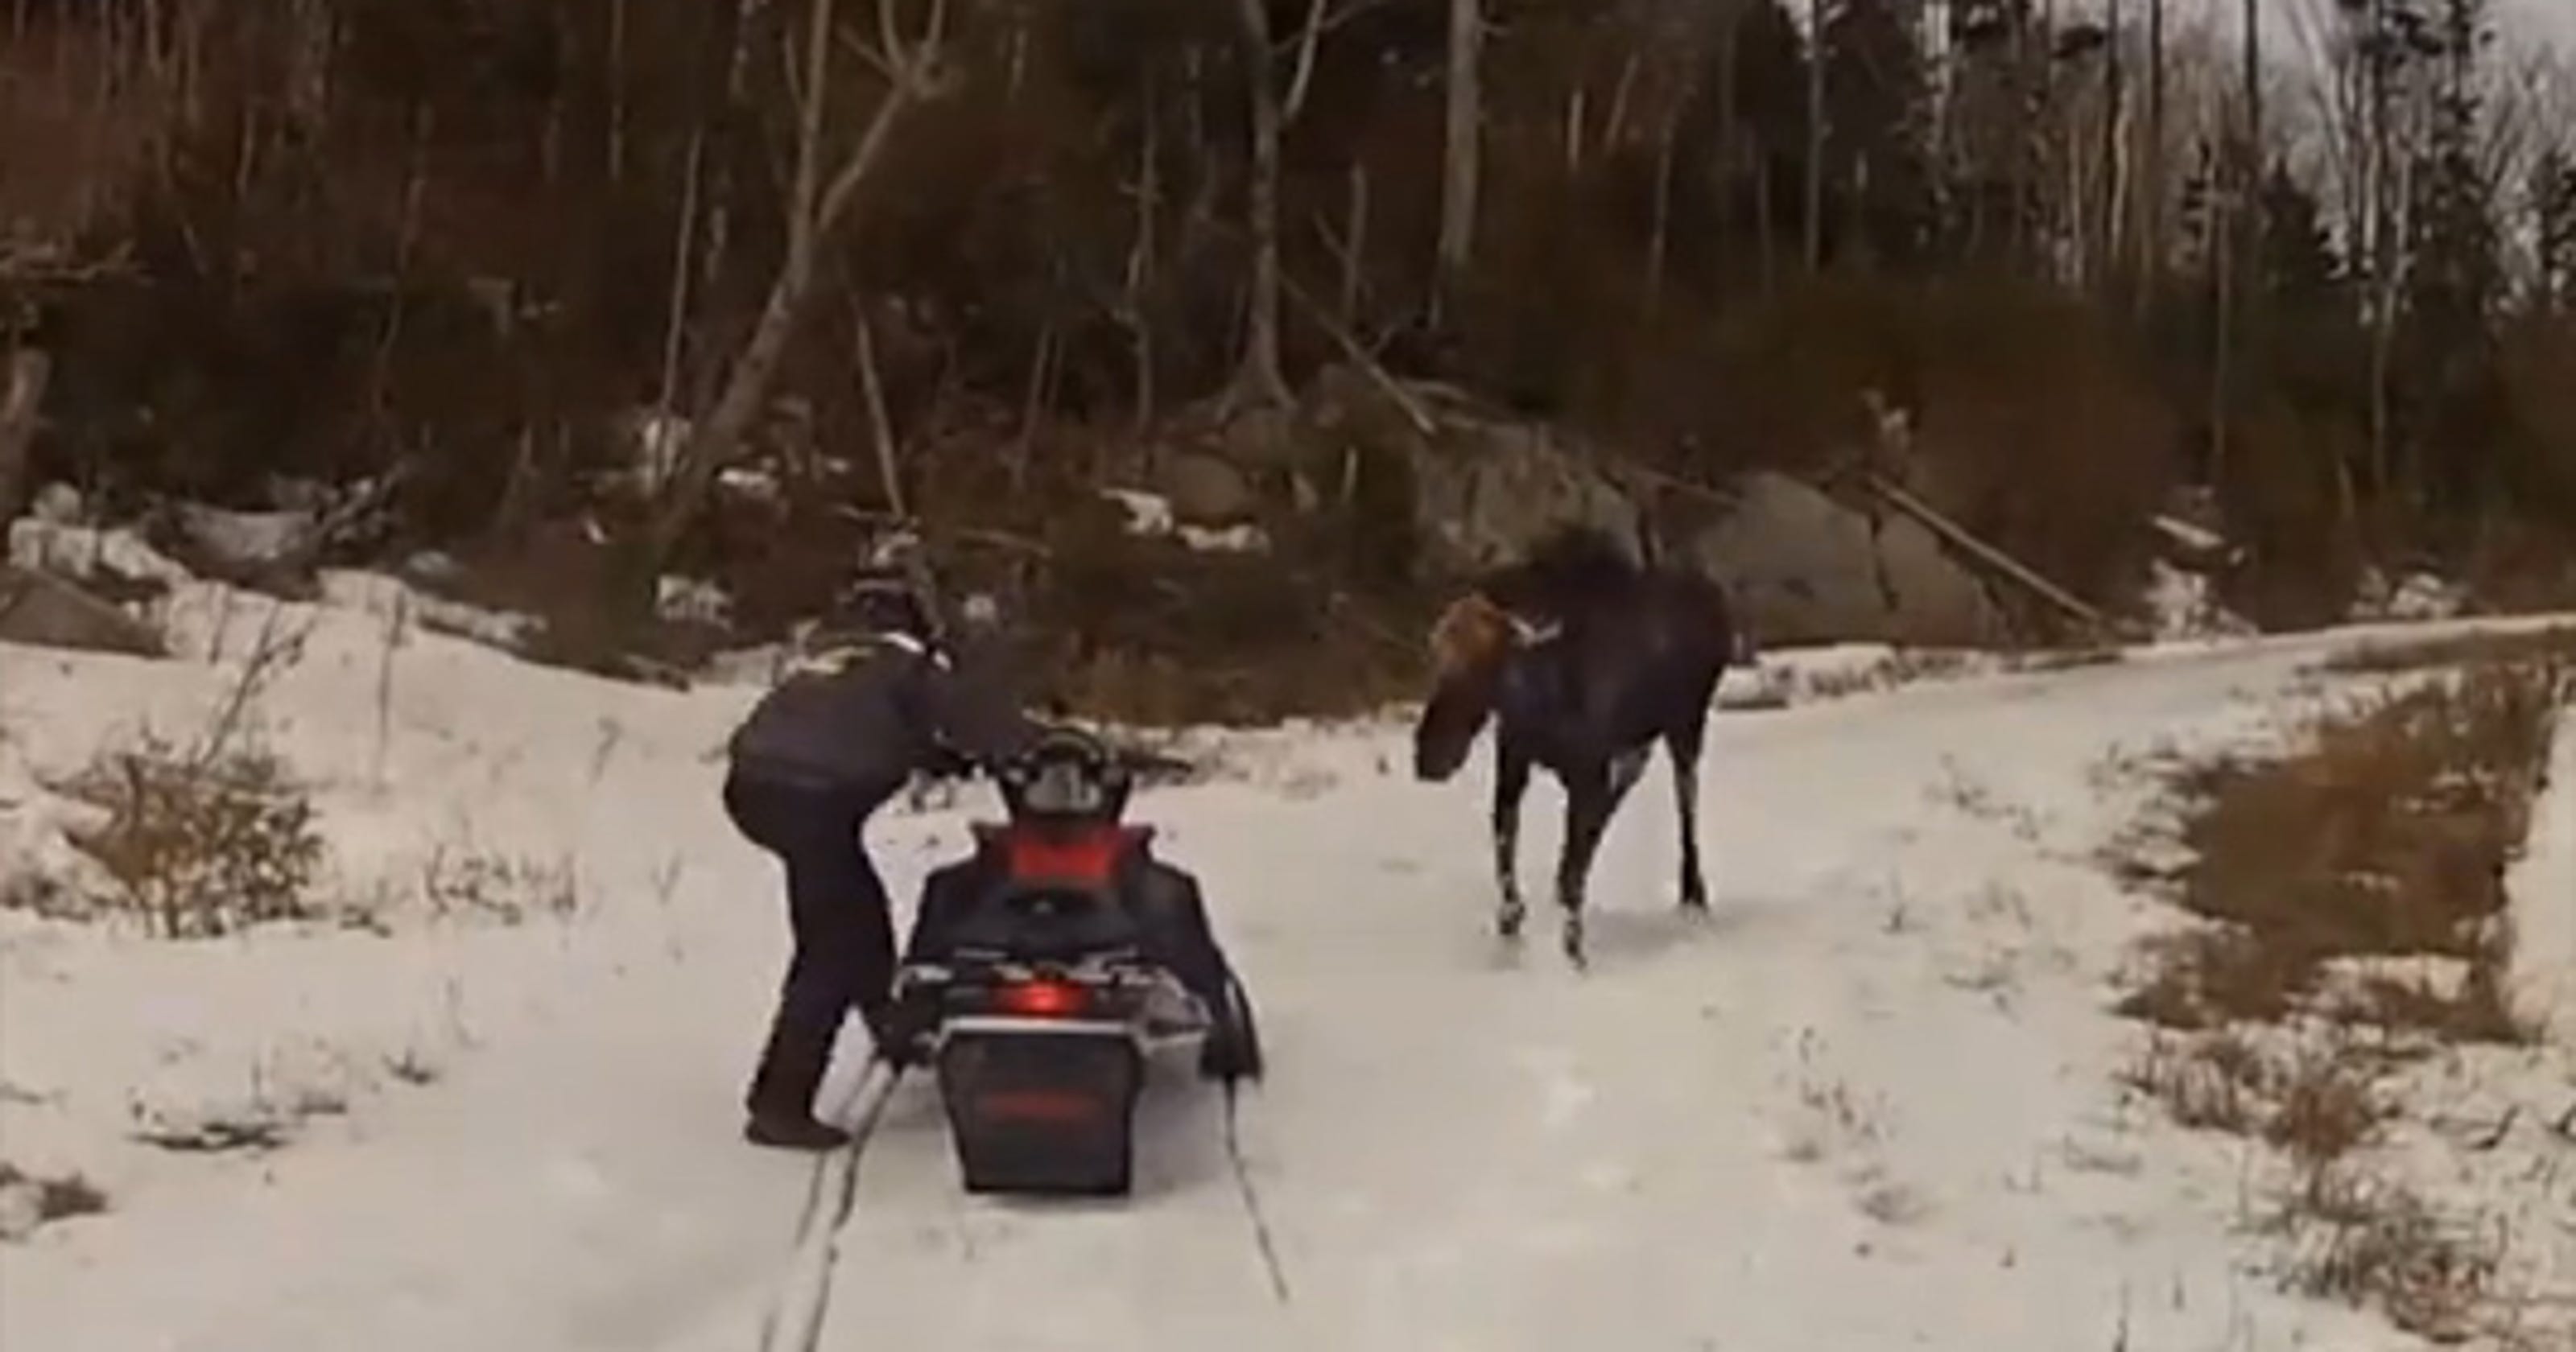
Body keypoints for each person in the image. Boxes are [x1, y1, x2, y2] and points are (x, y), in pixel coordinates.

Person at [721, 565, 1042, 1150]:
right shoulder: (909, 665)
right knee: (830, 948)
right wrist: (1037, 748)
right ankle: (779, 1104)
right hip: (816, 800)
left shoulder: (826, 664)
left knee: (854, 904)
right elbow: (990, 731)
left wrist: (924, 751)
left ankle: (890, 1023)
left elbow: (847, 724)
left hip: (754, 788)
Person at [899, 728, 1257, 1081]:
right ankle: (913, 1014)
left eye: (1073, 786)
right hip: (1017, 953)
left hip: (1101, 953)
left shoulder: (1136, 866)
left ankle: (1217, 1020)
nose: (1061, 797)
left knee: (1172, 896)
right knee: (946, 890)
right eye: (1049, 785)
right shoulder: (988, 860)